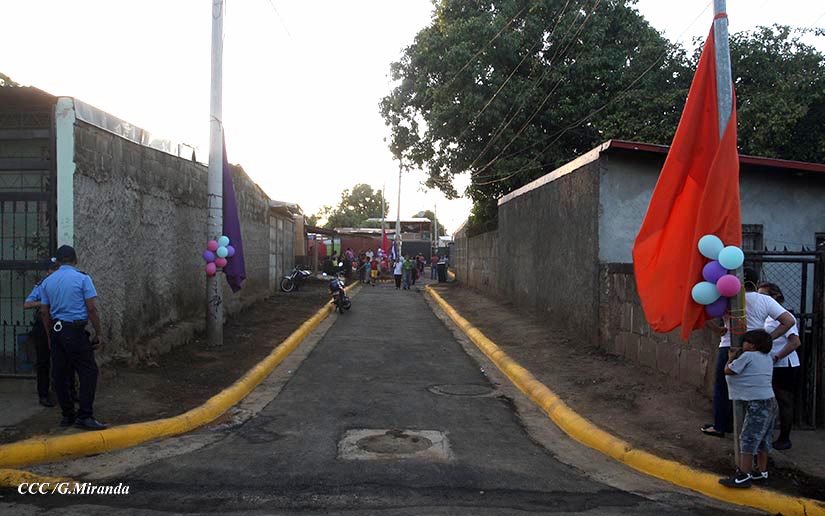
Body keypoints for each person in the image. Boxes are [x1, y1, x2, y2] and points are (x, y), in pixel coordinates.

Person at [702, 267, 794, 437]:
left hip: (729, 347)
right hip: (756, 349)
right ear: (756, 282)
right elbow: (788, 321)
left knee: (723, 388)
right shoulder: (764, 300)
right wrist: (767, 337)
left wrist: (717, 329)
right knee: (754, 389)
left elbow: (702, 315)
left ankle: (721, 425)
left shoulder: (727, 297)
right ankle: (751, 428)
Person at [39, 245, 108, 430]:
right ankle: (85, 415)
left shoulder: (47, 282)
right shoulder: (83, 279)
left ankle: (67, 415)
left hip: (57, 331)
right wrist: (99, 332)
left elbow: (45, 312)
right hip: (74, 331)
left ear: (59, 262)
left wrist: (49, 336)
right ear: (75, 260)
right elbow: (91, 308)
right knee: (88, 371)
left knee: (60, 374)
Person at [719, 329, 777, 488]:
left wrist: (730, 357)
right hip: (769, 401)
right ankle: (762, 471)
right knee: (763, 439)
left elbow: (729, 370)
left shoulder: (748, 356)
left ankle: (743, 475)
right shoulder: (767, 357)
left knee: (748, 438)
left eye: (745, 341)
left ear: (752, 345)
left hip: (757, 403)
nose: (742, 344)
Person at [758, 282, 802, 450]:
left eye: (765, 295)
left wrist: (776, 357)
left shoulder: (784, 316)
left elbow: (795, 342)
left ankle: (784, 438)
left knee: (784, 400)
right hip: (771, 364)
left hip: (785, 364)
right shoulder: (767, 316)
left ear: (775, 296)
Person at [23, 257, 61, 407]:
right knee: (43, 362)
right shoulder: (41, 285)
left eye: (57, 268)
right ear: (47, 271)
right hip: (42, 326)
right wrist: (43, 302)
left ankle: (65, 392)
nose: (54, 271)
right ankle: (44, 395)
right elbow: (27, 304)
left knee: (63, 360)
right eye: (52, 269)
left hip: (59, 323)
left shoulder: (61, 283)